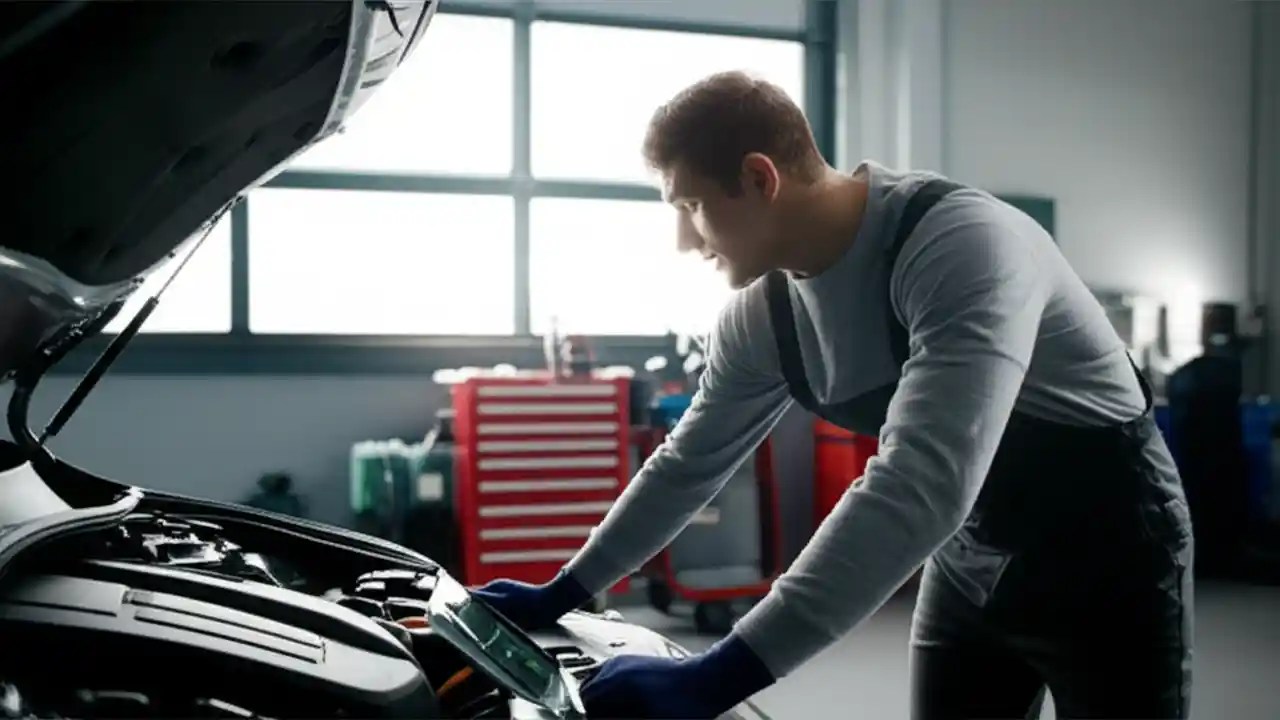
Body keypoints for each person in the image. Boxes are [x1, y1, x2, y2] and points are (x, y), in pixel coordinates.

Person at [475, 70, 1195, 720]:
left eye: (691, 205)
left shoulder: (962, 247)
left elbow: (921, 483)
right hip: (972, 551)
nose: (684, 241)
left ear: (759, 178)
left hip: (1111, 554)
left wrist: (719, 677)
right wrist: (565, 590)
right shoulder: (763, 317)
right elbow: (688, 464)